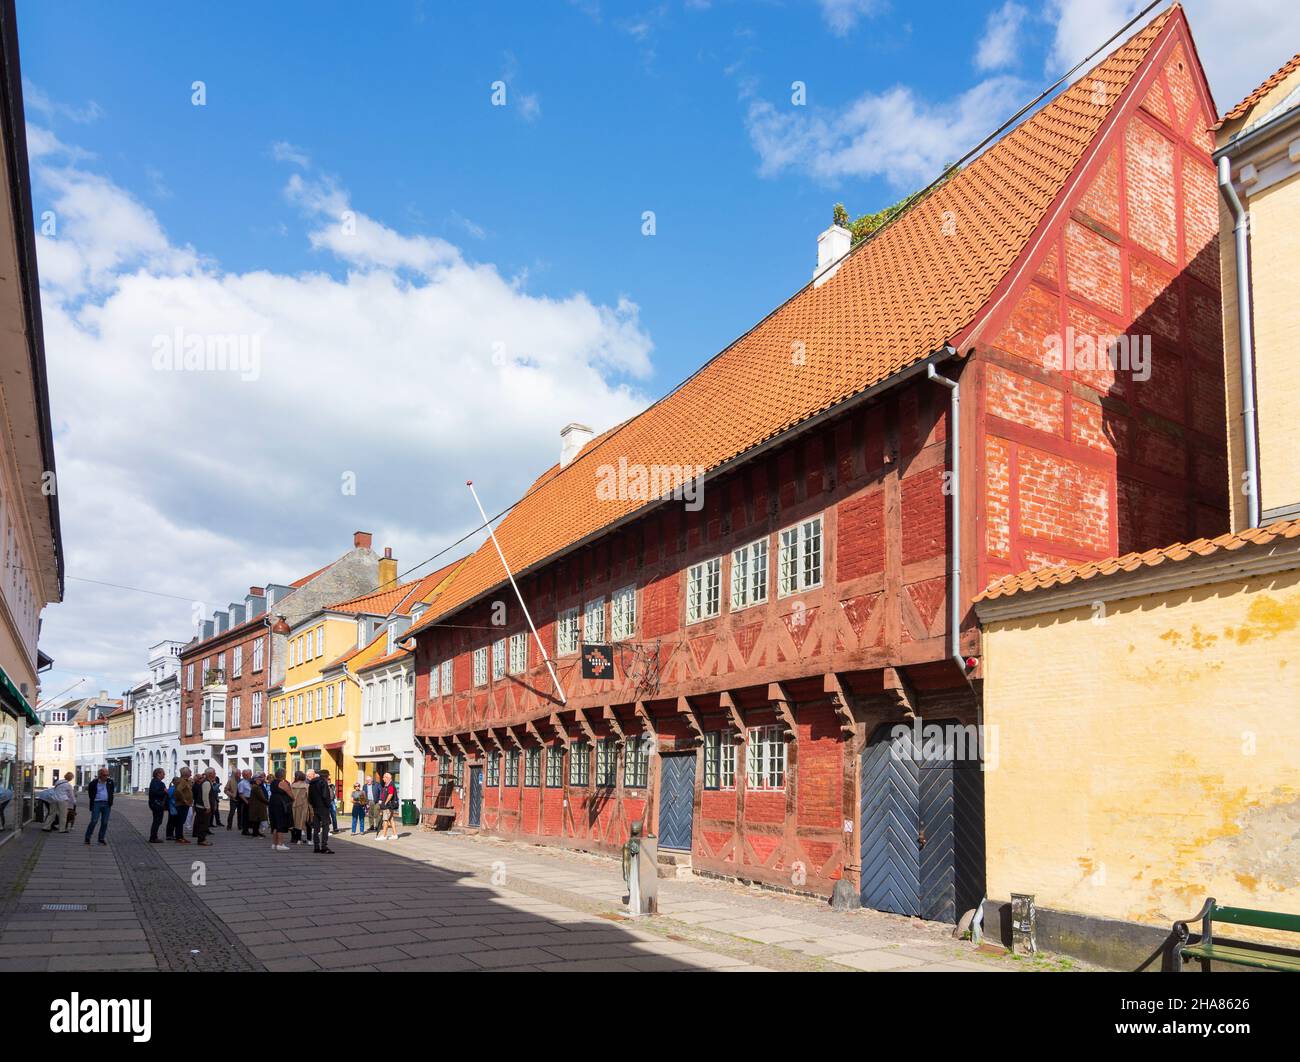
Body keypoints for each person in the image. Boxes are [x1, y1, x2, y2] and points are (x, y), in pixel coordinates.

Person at [83, 767, 115, 845]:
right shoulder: (93, 783)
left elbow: (111, 792)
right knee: (94, 820)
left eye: (107, 775)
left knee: (105, 822)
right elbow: (90, 794)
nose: (106, 777)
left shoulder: (110, 782)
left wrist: (110, 800)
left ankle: (101, 838)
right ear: (100, 775)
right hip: (96, 803)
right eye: (104, 775)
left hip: (107, 804)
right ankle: (87, 837)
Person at [308, 768, 334, 854]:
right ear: (326, 776)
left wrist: (313, 804)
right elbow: (325, 796)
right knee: (326, 826)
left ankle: (316, 846)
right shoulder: (323, 782)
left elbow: (309, 797)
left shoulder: (312, 782)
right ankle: (324, 846)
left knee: (316, 828)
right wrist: (328, 804)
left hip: (315, 807)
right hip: (323, 807)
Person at [269, 768, 294, 851]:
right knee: (280, 822)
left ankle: (274, 844)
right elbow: (291, 795)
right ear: (283, 775)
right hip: (280, 804)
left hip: (272, 802)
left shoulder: (272, 782)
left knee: (275, 823)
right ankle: (280, 844)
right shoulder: (283, 783)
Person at [192, 769, 215, 846]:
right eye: (214, 773)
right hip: (203, 807)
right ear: (210, 774)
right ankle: (202, 840)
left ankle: (202, 839)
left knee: (202, 823)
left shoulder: (206, 782)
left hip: (201, 806)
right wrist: (208, 807)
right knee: (203, 824)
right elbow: (205, 796)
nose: (215, 774)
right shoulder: (206, 783)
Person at [146, 768, 168, 842]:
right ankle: (153, 837)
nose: (164, 775)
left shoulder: (157, 782)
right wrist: (165, 792)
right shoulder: (156, 782)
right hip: (156, 804)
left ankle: (154, 836)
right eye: (163, 773)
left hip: (156, 803)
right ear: (158, 774)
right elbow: (155, 793)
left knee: (158, 821)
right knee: (157, 821)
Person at [378, 772, 400, 841]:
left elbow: (390, 794)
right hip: (389, 805)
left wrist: (385, 802)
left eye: (384, 777)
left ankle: (384, 835)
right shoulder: (387, 785)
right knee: (391, 819)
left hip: (388, 806)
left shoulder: (390, 785)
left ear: (387, 778)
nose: (383, 779)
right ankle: (395, 834)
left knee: (385, 820)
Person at [174, 767, 194, 843]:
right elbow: (178, 790)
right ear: (186, 773)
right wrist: (184, 800)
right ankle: (179, 837)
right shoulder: (182, 781)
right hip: (182, 805)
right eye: (190, 771)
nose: (191, 771)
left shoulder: (185, 781)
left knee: (181, 821)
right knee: (180, 821)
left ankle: (180, 836)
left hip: (183, 804)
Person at [290, 771, 311, 845]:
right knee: (307, 822)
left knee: (296, 822)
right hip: (304, 805)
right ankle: (309, 839)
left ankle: (298, 839)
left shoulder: (292, 785)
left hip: (294, 805)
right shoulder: (307, 786)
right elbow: (309, 797)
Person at [247, 773, 269, 838]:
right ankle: (255, 833)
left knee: (257, 820)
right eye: (259, 780)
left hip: (256, 806)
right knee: (256, 820)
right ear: (256, 780)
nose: (260, 781)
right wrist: (269, 803)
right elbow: (261, 797)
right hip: (257, 806)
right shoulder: (256, 787)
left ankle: (256, 832)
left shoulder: (255, 786)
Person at [237, 770, 253, 835]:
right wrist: (247, 802)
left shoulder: (249, 782)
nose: (250, 775)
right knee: (245, 816)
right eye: (249, 774)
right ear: (245, 775)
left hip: (250, 799)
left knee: (249, 815)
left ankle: (247, 828)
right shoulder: (242, 783)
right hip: (245, 800)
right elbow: (240, 794)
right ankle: (245, 830)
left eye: (250, 774)